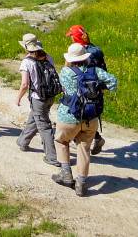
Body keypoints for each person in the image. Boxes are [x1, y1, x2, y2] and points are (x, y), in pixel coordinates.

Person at [52, 43, 118, 196]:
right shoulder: (95, 71)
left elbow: (62, 88)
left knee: (61, 141)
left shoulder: (65, 72)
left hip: (69, 116)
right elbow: (113, 82)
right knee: (84, 148)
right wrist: (97, 88)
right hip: (91, 117)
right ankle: (81, 183)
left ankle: (66, 174)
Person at [15, 33, 59, 166]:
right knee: (34, 119)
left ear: (26, 47)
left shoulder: (26, 62)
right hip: (50, 96)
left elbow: (25, 84)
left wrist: (18, 98)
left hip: (38, 98)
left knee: (44, 127)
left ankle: (52, 157)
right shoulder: (48, 57)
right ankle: (23, 141)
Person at [66, 24, 107, 155]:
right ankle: (95, 139)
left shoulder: (82, 53)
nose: (70, 38)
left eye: (71, 36)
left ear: (76, 38)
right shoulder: (95, 49)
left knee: (79, 114)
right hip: (96, 87)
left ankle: (84, 147)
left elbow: (79, 71)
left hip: (84, 88)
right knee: (87, 115)